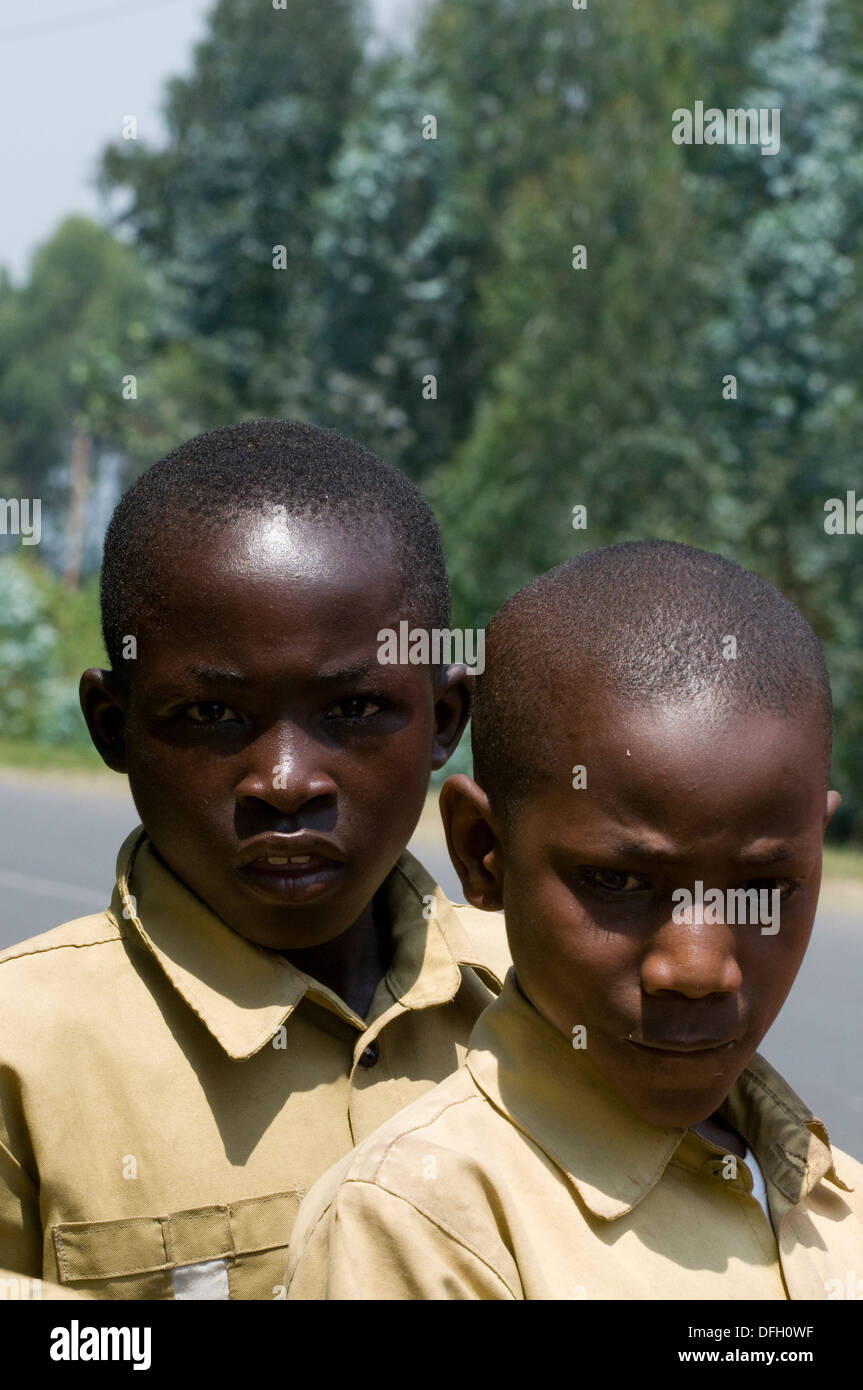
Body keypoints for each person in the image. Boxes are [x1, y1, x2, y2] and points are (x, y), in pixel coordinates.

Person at [0, 419, 508, 1299]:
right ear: (113, 727)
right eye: (209, 716)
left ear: (444, 722)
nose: (283, 782)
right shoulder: (24, 1054)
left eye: (353, 709)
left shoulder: (546, 1004)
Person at [286, 540, 863, 1299]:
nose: (696, 968)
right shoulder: (423, 1223)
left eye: (763, 886)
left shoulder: (836, 1202)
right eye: (617, 881)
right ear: (483, 853)